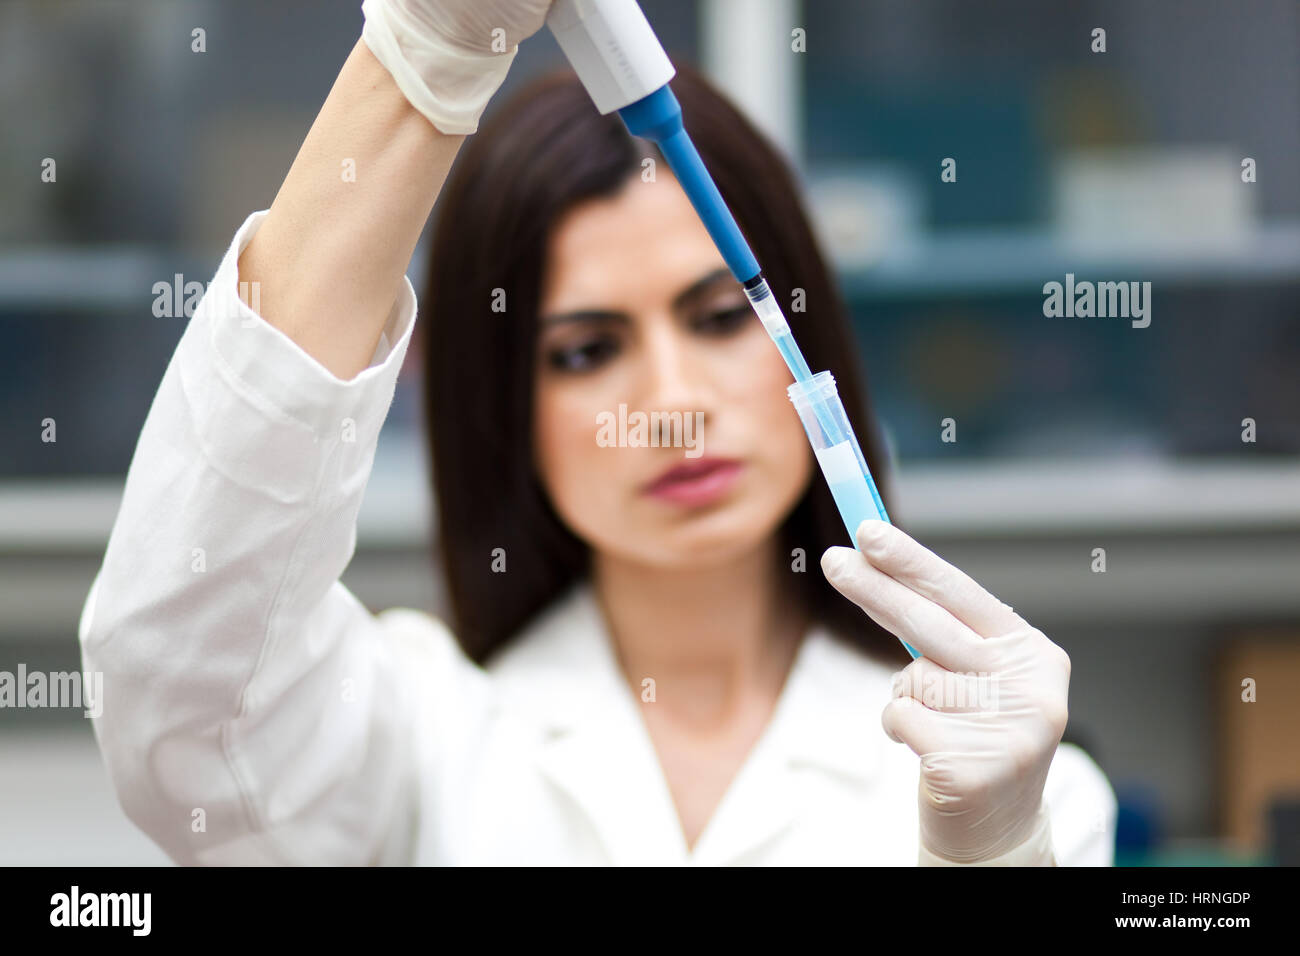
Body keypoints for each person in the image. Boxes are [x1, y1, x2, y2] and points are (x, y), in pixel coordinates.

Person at [78, 0, 1116, 865]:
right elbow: (177, 676)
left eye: (717, 318)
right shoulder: (416, 740)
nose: (667, 400)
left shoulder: (1016, 783)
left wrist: (989, 851)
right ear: (502, 405)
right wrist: (421, 54)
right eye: (585, 350)